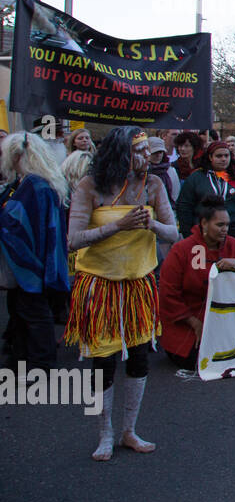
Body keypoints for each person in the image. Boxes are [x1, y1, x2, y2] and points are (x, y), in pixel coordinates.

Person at [65, 127, 179, 461]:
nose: (147, 157)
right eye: (138, 151)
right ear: (119, 154)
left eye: (147, 151)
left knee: (140, 356)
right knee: (103, 361)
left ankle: (129, 430)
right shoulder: (89, 186)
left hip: (138, 284)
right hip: (99, 285)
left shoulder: (154, 185)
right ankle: (105, 434)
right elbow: (73, 240)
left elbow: (174, 232)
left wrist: (152, 225)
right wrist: (118, 225)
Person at [0, 133, 71, 374]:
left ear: (18, 155)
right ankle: (20, 360)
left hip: (31, 263)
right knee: (22, 311)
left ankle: (41, 364)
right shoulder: (30, 183)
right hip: (30, 262)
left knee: (34, 313)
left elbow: (26, 226)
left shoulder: (35, 186)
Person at [159, 195, 235, 369]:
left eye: (227, 225)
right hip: (187, 322)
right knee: (201, 361)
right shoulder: (181, 250)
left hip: (222, 320)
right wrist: (193, 322)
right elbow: (168, 293)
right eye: (220, 225)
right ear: (204, 223)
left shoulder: (234, 245)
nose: (225, 229)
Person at [175, 140, 235, 242]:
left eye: (226, 156)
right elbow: (184, 206)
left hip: (234, 233)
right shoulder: (196, 177)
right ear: (210, 157)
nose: (223, 159)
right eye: (219, 156)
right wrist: (187, 233)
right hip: (203, 233)